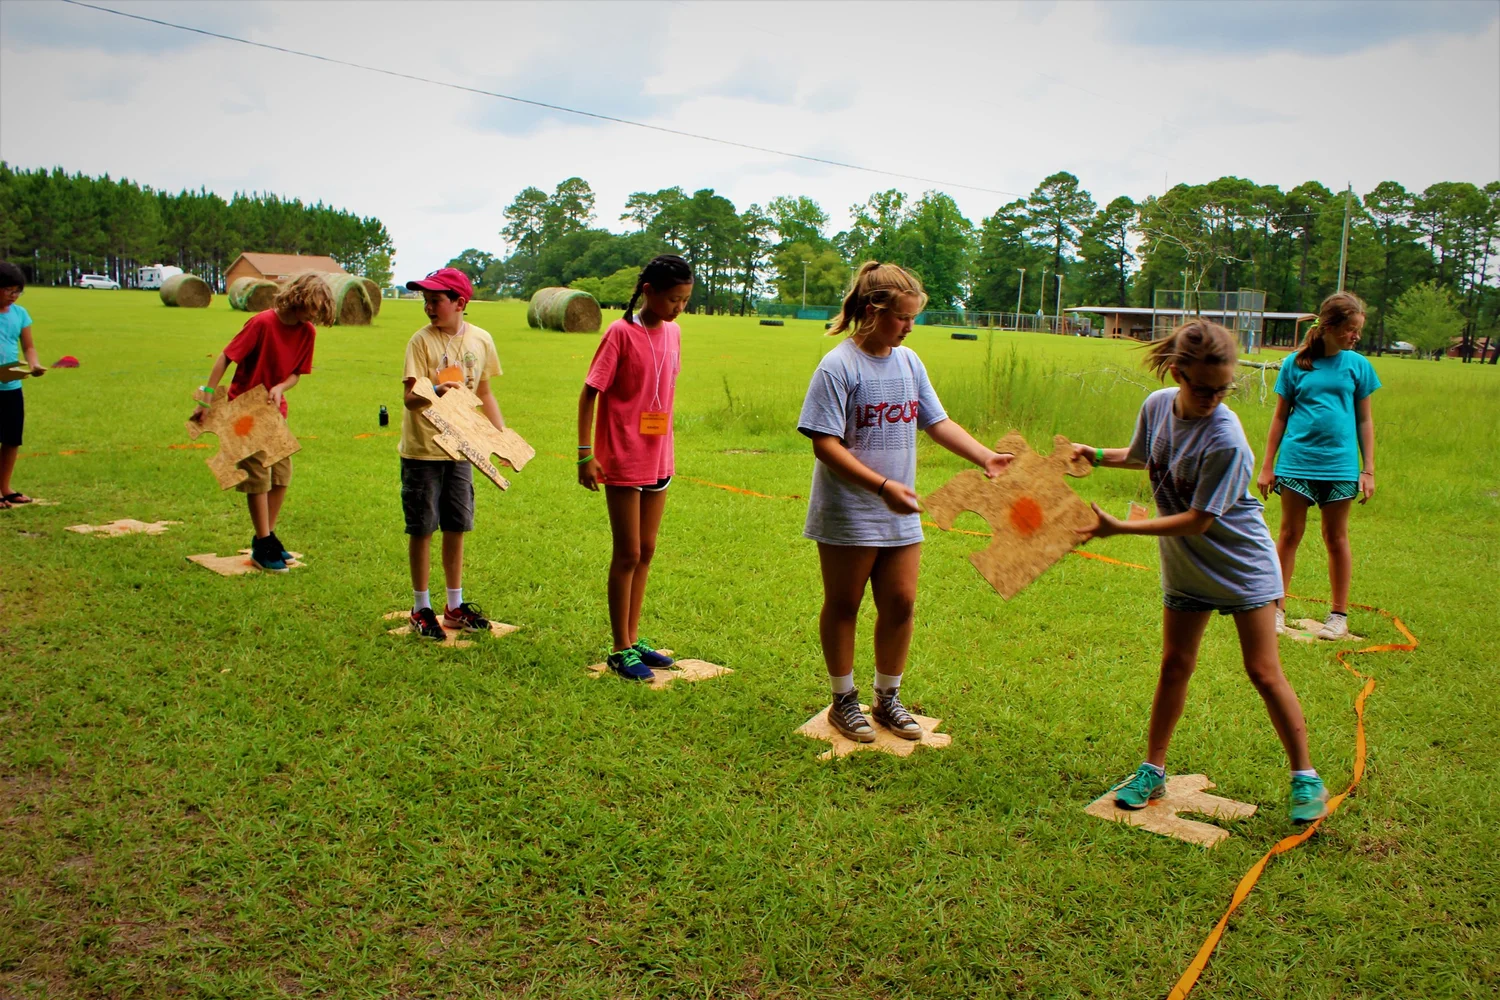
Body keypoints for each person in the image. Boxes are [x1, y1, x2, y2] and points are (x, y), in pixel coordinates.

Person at [1073, 319, 1328, 824]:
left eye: (1222, 390)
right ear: (1178, 373)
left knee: (1263, 671)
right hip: (1187, 567)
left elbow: (1198, 520)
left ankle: (1305, 777)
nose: (1213, 399)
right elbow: (1142, 456)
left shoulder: (1226, 439)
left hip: (1242, 567)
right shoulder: (1157, 406)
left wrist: (1120, 528)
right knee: (1175, 664)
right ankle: (1152, 769)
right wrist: (1096, 455)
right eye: (1204, 388)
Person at [798, 262, 1011, 743]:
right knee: (845, 604)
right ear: (873, 311)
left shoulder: (909, 362)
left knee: (901, 602)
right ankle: (843, 700)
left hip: (898, 511)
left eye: (914, 317)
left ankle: (887, 698)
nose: (910, 326)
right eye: (903, 317)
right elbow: (824, 444)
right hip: (850, 511)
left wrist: (986, 456)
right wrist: (881, 486)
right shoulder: (839, 366)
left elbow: (936, 421)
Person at [577, 255, 693, 680]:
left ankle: (633, 635)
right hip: (623, 456)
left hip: (659, 455)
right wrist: (585, 454)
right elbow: (589, 393)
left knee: (646, 549)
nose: (679, 308)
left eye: (685, 300)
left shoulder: (675, 333)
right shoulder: (619, 333)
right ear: (648, 291)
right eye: (673, 299)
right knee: (626, 552)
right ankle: (619, 648)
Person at [1256, 292, 1380, 640]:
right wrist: (1267, 466)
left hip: (1339, 466)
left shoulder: (1358, 366)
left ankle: (1338, 616)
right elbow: (1280, 418)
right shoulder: (1295, 364)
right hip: (1297, 463)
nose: (1356, 336)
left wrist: (1368, 470)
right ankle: (1276, 609)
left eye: (1358, 330)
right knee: (1289, 534)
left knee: (1336, 537)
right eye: (1351, 329)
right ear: (1329, 326)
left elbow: (1365, 421)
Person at [190, 271, 333, 570]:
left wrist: (281, 387)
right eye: (313, 309)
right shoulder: (262, 323)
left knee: (282, 473)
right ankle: (263, 541)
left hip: (273, 411)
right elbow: (225, 357)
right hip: (243, 409)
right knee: (257, 474)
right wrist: (206, 399)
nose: (314, 317)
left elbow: (296, 373)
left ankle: (266, 537)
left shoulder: (308, 332)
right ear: (299, 299)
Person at [399, 267, 504, 639]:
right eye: (425, 301)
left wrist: (499, 438)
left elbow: (485, 393)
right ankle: (420, 607)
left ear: (460, 303)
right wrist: (436, 392)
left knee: (457, 525)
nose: (428, 307)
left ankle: (454, 606)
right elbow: (410, 398)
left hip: (461, 451)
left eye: (436, 300)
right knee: (423, 528)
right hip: (423, 451)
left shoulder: (481, 339)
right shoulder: (421, 342)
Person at [0, 261, 45, 509]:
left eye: (18, 291)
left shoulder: (20, 314)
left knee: (11, 439)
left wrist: (34, 364)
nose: (14, 296)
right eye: (9, 290)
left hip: (10, 386)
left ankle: (5, 488)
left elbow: (28, 347)